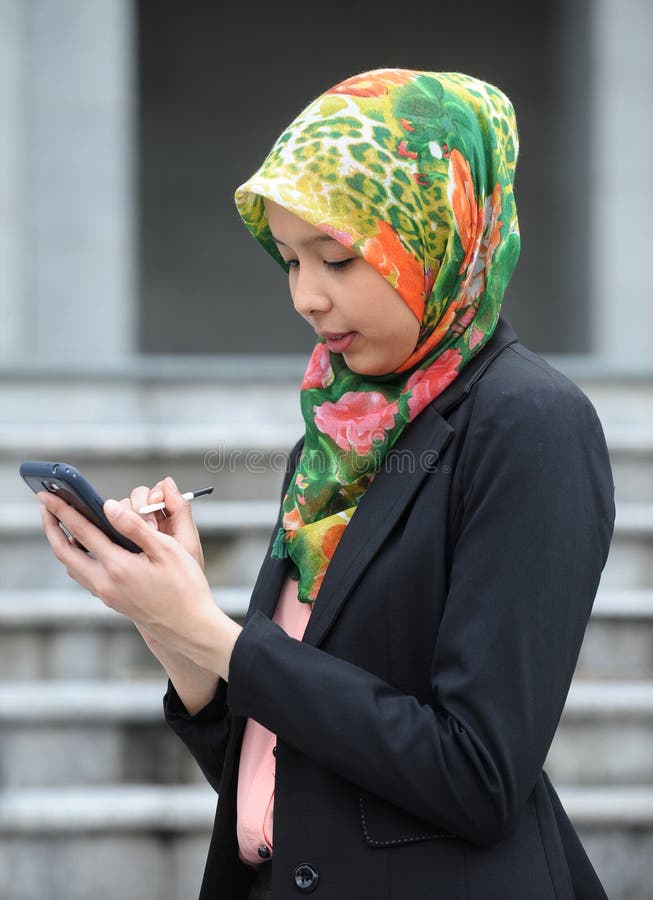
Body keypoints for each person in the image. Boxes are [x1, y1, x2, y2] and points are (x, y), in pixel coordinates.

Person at [38, 69, 615, 899]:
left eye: (338, 258)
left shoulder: (530, 424)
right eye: (290, 260)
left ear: (434, 231)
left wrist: (218, 637)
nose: (307, 297)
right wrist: (171, 623)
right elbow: (293, 777)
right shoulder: (344, 427)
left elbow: (477, 775)